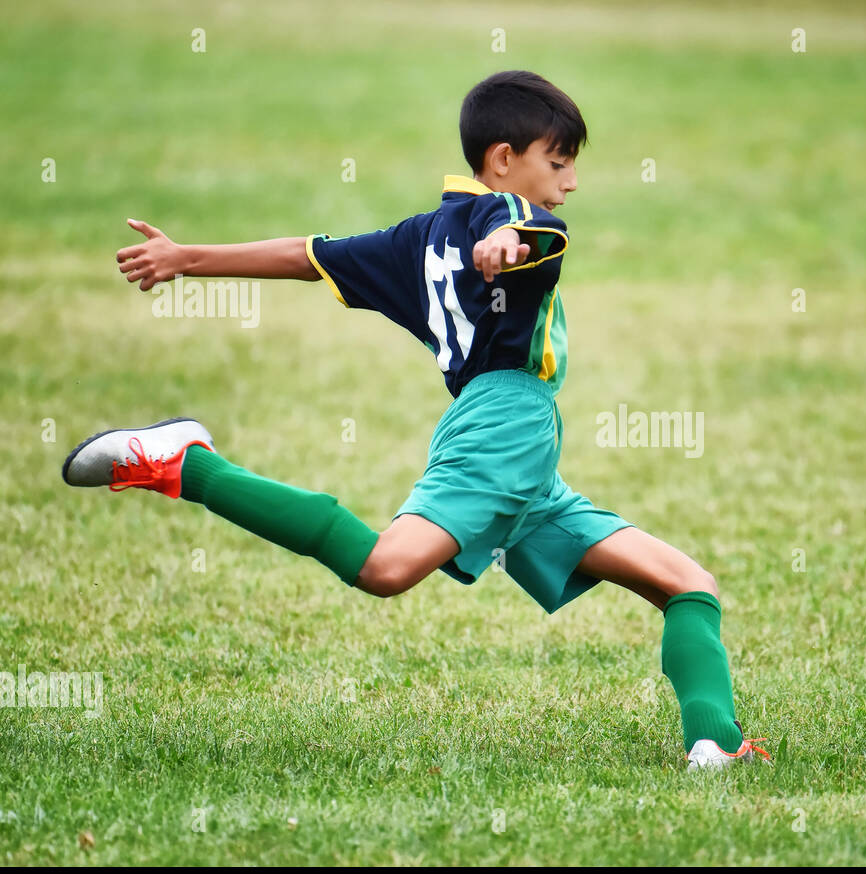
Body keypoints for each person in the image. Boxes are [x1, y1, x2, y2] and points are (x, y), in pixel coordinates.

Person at [63, 70, 766, 770]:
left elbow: (309, 256)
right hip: (503, 428)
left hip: (519, 449)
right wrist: (506, 241)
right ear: (502, 159)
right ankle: (188, 464)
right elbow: (517, 231)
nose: (571, 181)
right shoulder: (507, 215)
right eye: (559, 162)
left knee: (687, 584)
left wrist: (187, 258)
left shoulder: (415, 239)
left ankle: (715, 742)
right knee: (385, 568)